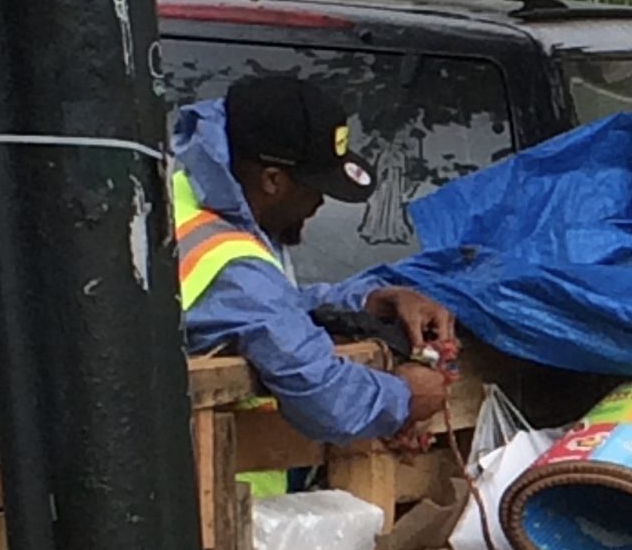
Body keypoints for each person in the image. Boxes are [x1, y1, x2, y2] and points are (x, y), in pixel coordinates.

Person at [172, 74, 456, 446]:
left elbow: (268, 307)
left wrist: (366, 301)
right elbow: (327, 398)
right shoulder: (233, 265)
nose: (320, 205)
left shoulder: (178, 192)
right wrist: (405, 395)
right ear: (273, 180)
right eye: (315, 190)